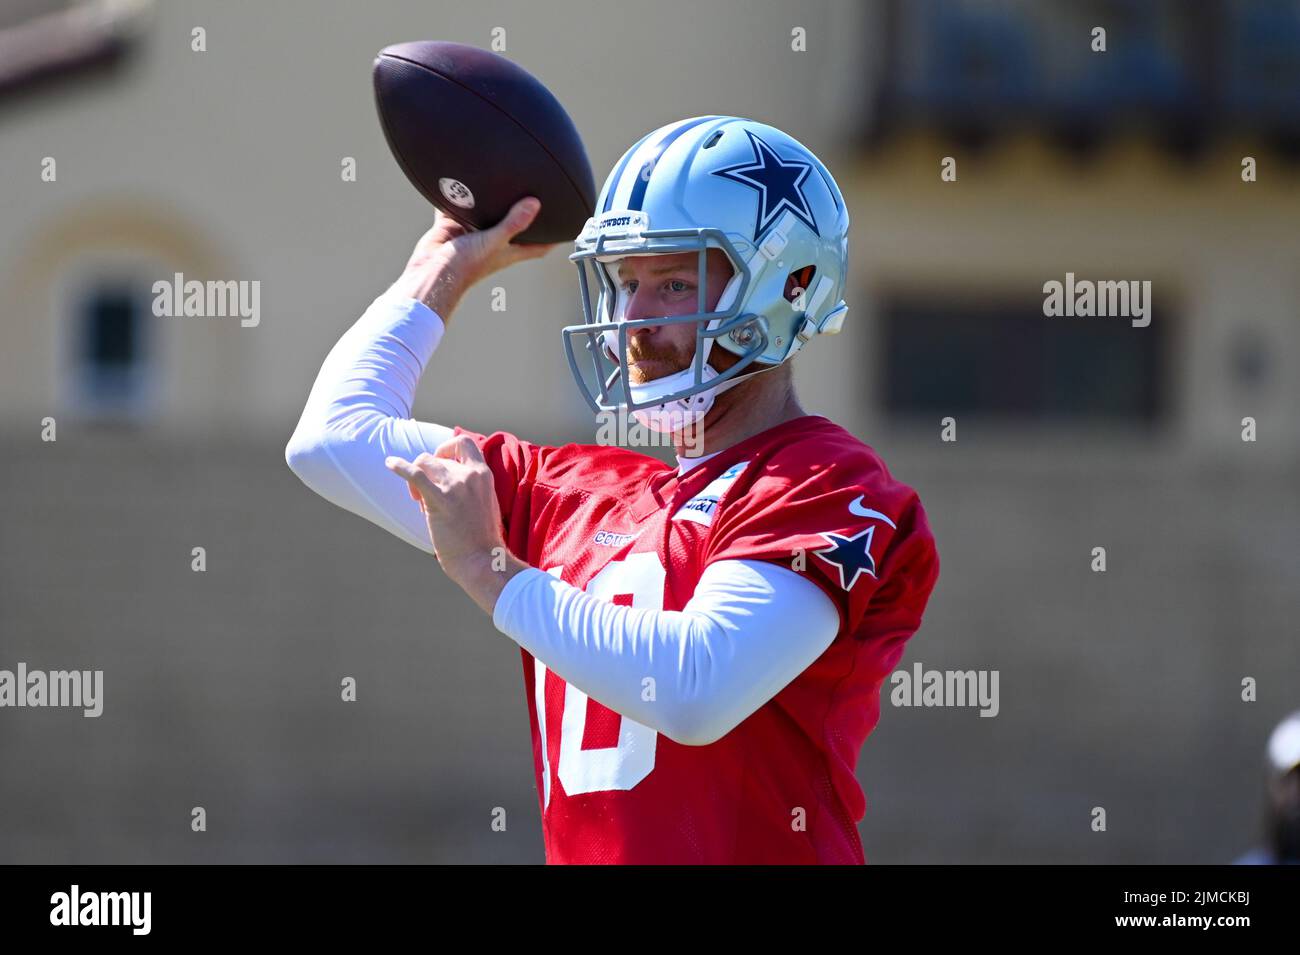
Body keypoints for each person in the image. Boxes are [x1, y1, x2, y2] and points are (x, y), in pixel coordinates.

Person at [286, 116, 939, 864]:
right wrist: (440, 272)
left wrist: (491, 571)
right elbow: (332, 439)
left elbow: (697, 688)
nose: (633, 318)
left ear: (786, 287)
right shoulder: (570, 490)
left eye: (671, 282)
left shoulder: (822, 479)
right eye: (626, 281)